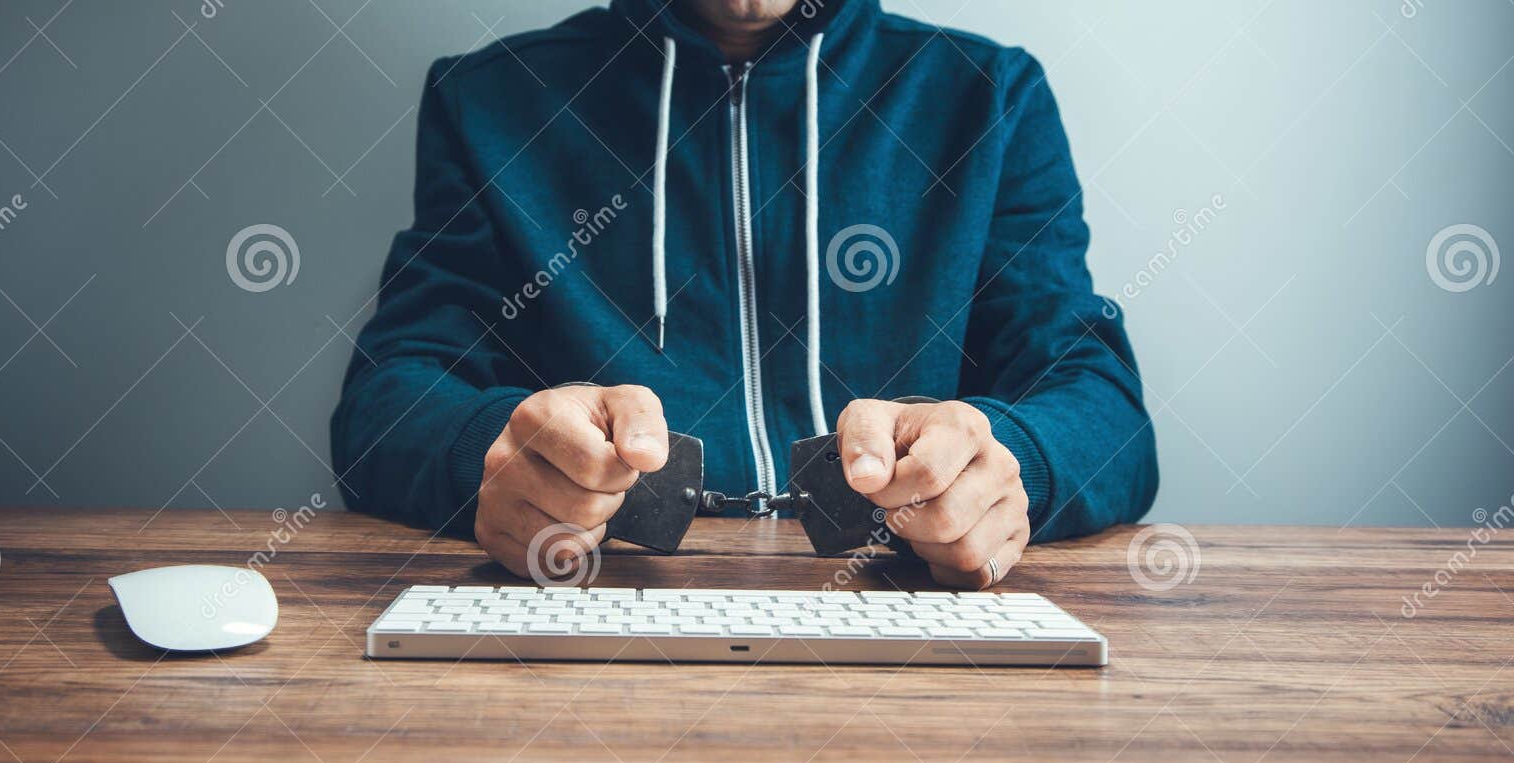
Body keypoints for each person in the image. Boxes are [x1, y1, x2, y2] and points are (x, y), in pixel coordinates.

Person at [331, 0, 1159, 589]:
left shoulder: (988, 96)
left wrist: (1006, 465)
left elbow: (1101, 403)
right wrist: (490, 452)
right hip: (589, 608)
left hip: (909, 610)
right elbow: (386, 401)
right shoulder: (488, 102)